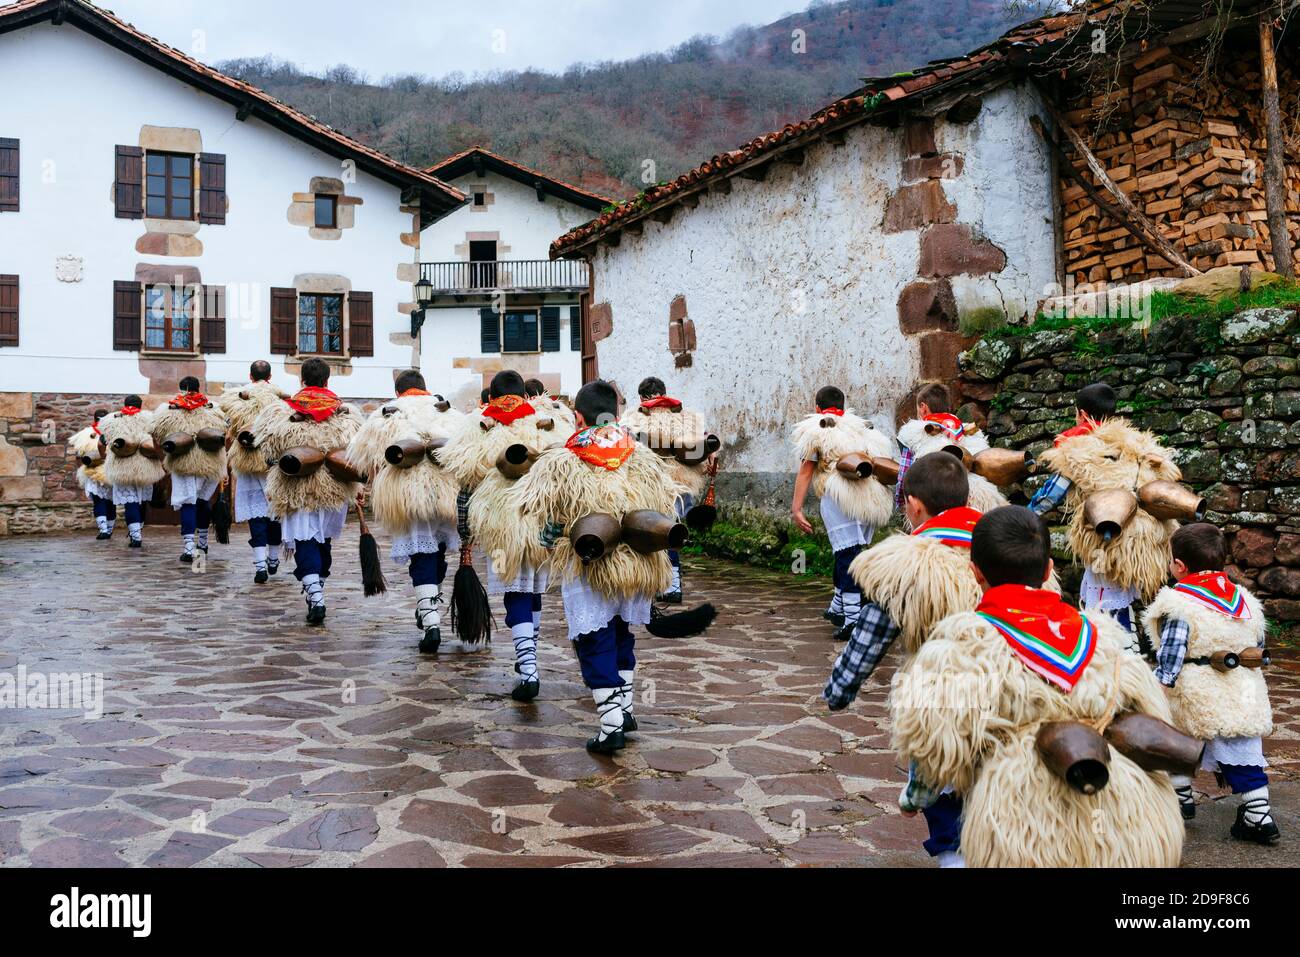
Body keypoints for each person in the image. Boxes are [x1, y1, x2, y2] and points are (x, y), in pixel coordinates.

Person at [890, 506, 1184, 867]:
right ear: (1048, 569)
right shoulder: (1105, 637)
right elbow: (1148, 716)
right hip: (1114, 809)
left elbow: (932, 745)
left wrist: (915, 798)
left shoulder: (961, 645)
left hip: (1019, 816)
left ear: (975, 572)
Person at [822, 452, 979, 867]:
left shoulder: (908, 560)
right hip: (1012, 693)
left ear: (913, 505)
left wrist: (839, 690)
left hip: (942, 697)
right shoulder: (1002, 540)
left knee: (944, 788)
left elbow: (870, 637)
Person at [510, 380, 679, 753]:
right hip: (638, 564)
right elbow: (665, 507)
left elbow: (545, 520)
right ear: (617, 415)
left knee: (593, 639)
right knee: (621, 633)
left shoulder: (563, 460)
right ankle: (626, 708)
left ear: (578, 417)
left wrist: (549, 541)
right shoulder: (642, 455)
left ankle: (611, 724)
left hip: (591, 563)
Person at [1144, 523, 1280, 845]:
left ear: (1179, 566)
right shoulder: (1244, 600)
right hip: (1243, 691)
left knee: (1178, 742)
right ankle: (1258, 814)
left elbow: (1172, 651)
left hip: (1195, 692)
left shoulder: (1180, 603)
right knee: (1242, 749)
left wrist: (1159, 685)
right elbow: (1258, 642)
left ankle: (1181, 800)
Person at [440, 370, 567, 698]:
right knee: (534, 590)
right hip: (542, 518)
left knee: (516, 593)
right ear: (524, 393)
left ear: (491, 395)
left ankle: (528, 670)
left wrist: (466, 533)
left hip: (499, 524)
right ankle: (530, 659)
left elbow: (466, 485)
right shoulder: (548, 418)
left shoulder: (476, 424)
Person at [1031, 383, 1184, 648]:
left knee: (1105, 600)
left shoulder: (1080, 450)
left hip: (1107, 537)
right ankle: (1122, 648)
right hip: (1144, 540)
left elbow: (1051, 495)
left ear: (1081, 414)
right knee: (1112, 597)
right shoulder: (1137, 445)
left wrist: (1023, 516)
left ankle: (1120, 654)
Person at [346, 370, 463, 651]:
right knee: (438, 551)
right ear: (425, 388)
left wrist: (369, 484)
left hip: (408, 495)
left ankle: (431, 620)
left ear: (398, 392)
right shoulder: (451, 413)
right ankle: (429, 607)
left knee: (421, 554)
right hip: (447, 493)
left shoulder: (388, 413)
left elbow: (365, 458)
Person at [252, 358, 363, 624]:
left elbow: (269, 450)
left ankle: (315, 596)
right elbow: (359, 453)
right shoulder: (347, 414)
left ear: (301, 380)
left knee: (305, 540)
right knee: (323, 540)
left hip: (296, 488)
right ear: (327, 381)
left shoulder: (280, 413)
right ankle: (317, 590)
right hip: (335, 488)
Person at [791, 386, 894, 639]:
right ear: (843, 404)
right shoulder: (861, 429)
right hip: (868, 497)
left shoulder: (817, 430)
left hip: (840, 496)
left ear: (817, 407)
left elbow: (806, 471)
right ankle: (839, 607)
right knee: (849, 551)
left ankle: (853, 619)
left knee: (847, 554)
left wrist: (796, 508)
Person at [621, 376, 714, 604]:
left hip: (651, 484)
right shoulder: (686, 416)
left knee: (655, 533)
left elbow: (624, 444)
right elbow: (706, 444)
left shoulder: (633, 417)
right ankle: (672, 584)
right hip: (682, 483)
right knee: (670, 530)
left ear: (642, 397)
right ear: (664, 392)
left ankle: (664, 584)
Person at [218, 361, 287, 583]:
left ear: (250, 376)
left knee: (256, 515)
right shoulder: (279, 399)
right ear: (270, 377)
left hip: (247, 463)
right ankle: (274, 559)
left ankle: (260, 565)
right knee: (274, 512)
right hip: (272, 462)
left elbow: (228, 423)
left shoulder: (237, 399)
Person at [150, 376, 228, 563]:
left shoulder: (168, 410)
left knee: (188, 502)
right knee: (202, 501)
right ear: (198, 388)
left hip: (183, 461)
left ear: (180, 389)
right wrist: (224, 467)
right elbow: (224, 438)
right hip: (210, 462)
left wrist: (164, 460)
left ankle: (189, 547)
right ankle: (202, 542)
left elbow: (155, 434)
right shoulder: (213, 410)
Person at [895, 384, 1003, 517]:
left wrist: (901, 502)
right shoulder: (971, 433)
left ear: (923, 408)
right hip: (981, 502)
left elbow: (905, 474)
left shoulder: (913, 433)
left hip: (936, 503)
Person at [98, 396, 163, 549]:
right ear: (141, 406)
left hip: (122, 468)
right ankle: (138, 529)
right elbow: (159, 442)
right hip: (146, 468)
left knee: (130, 502)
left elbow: (101, 443)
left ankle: (135, 536)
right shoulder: (150, 419)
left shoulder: (112, 420)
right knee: (141, 501)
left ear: (125, 405)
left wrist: (103, 457)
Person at [70, 410, 114, 539]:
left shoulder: (113, 433)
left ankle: (105, 530)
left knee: (106, 501)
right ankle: (106, 530)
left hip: (108, 471)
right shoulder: (88, 435)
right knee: (104, 501)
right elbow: (79, 455)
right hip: (94, 472)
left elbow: (78, 457)